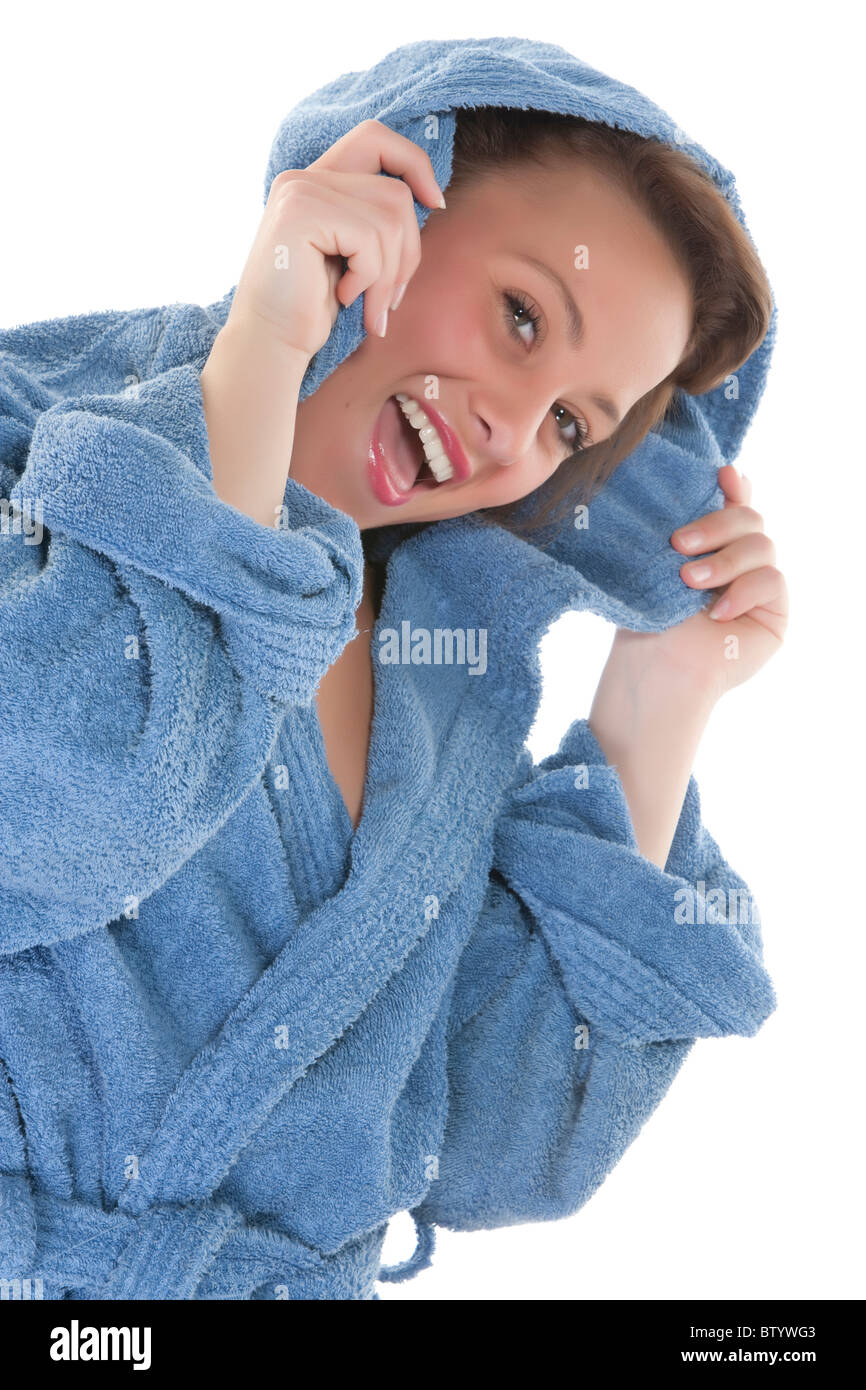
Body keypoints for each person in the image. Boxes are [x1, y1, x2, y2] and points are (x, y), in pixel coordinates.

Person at [0, 38, 784, 1301]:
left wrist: (661, 691)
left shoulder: (445, 684)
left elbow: (492, 1145)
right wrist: (259, 353)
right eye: (523, 316)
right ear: (390, 193)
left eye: (575, 425)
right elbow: (59, 802)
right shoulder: (39, 440)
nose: (515, 433)